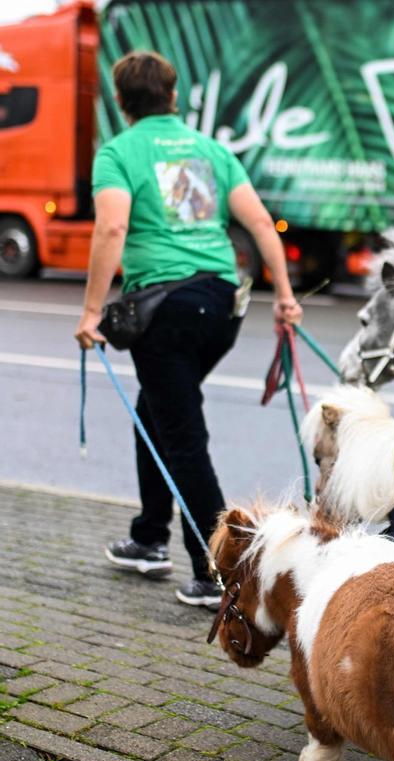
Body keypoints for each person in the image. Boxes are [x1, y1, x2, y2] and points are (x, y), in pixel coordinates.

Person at [73, 51, 302, 607]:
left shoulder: (119, 152)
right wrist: (286, 295)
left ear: (122, 102)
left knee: (181, 436)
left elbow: (112, 228)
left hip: (166, 311)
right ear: (173, 97)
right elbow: (258, 221)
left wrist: (90, 311)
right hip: (222, 303)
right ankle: (150, 537)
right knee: (156, 414)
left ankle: (221, 572)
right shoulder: (212, 150)